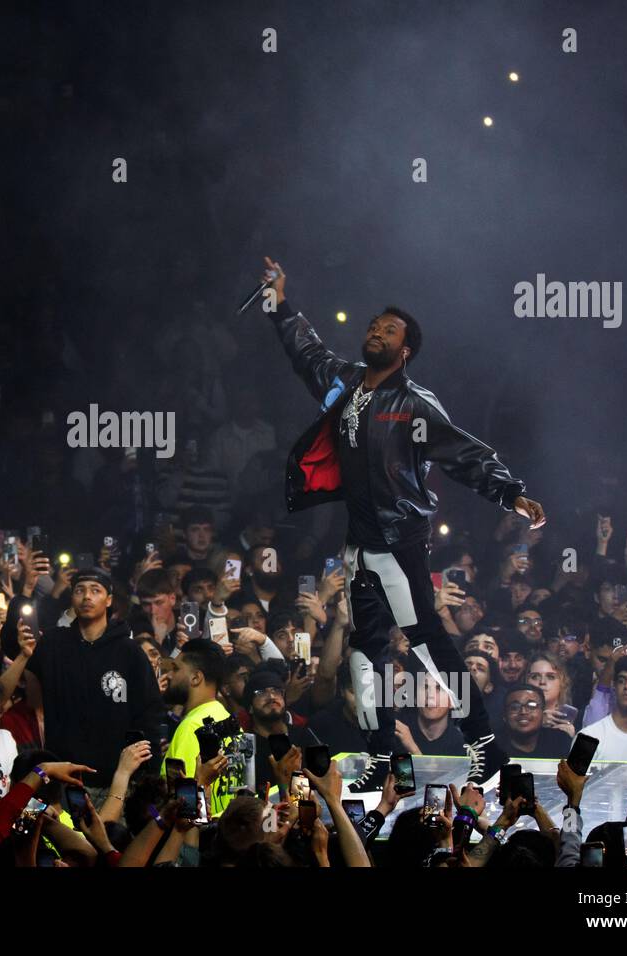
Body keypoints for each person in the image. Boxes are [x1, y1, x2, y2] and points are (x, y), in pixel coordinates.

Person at [259, 255, 545, 791]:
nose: (375, 332)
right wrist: (279, 304)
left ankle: (486, 748)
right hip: (359, 547)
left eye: (388, 330)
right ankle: (385, 757)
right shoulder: (345, 385)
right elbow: (308, 354)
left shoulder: (413, 404)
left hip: (399, 542)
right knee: (363, 654)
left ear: (404, 349)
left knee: (427, 645)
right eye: (373, 325)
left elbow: (462, 451)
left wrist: (510, 492)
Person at [0, 569, 164, 791]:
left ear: (109, 599)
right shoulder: (54, 644)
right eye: (79, 590)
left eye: (95, 590)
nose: (86, 597)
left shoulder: (129, 651)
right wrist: (23, 598)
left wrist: (147, 775)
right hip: (63, 779)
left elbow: (148, 714)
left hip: (116, 782)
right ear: (72, 598)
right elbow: (12, 647)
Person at [162, 638, 244, 816]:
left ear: (196, 677)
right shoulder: (230, 721)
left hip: (198, 837)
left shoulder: (192, 727)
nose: (169, 675)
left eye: (176, 669)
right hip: (226, 833)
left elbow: (180, 804)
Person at [496, 686, 576, 759]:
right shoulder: (491, 746)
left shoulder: (561, 740)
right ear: (504, 715)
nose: (523, 712)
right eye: (514, 707)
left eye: (532, 706)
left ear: (543, 712)